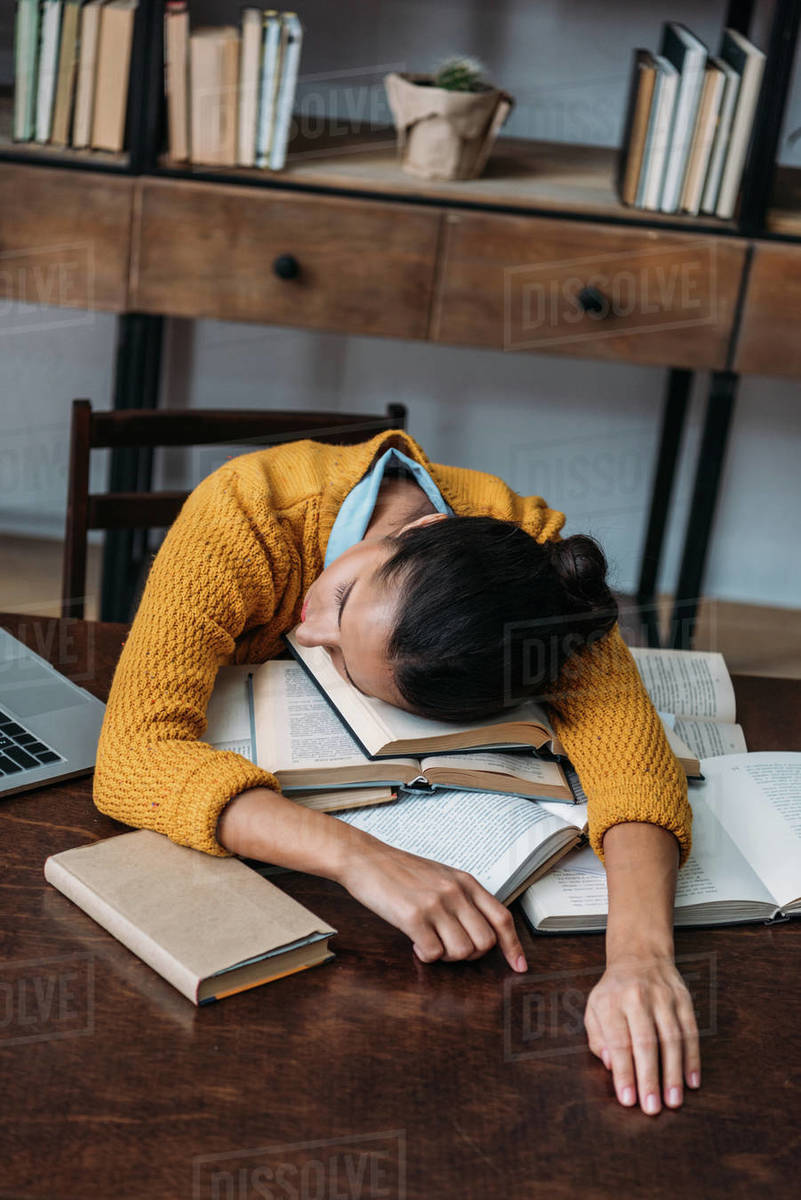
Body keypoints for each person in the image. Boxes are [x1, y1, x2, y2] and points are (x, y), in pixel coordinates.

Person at [93, 427, 699, 1118]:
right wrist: (360, 859)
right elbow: (133, 753)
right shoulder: (245, 512)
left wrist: (639, 959)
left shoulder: (531, 576)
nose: (313, 631)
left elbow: (630, 761)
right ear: (423, 530)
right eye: (347, 597)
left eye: (351, 670)